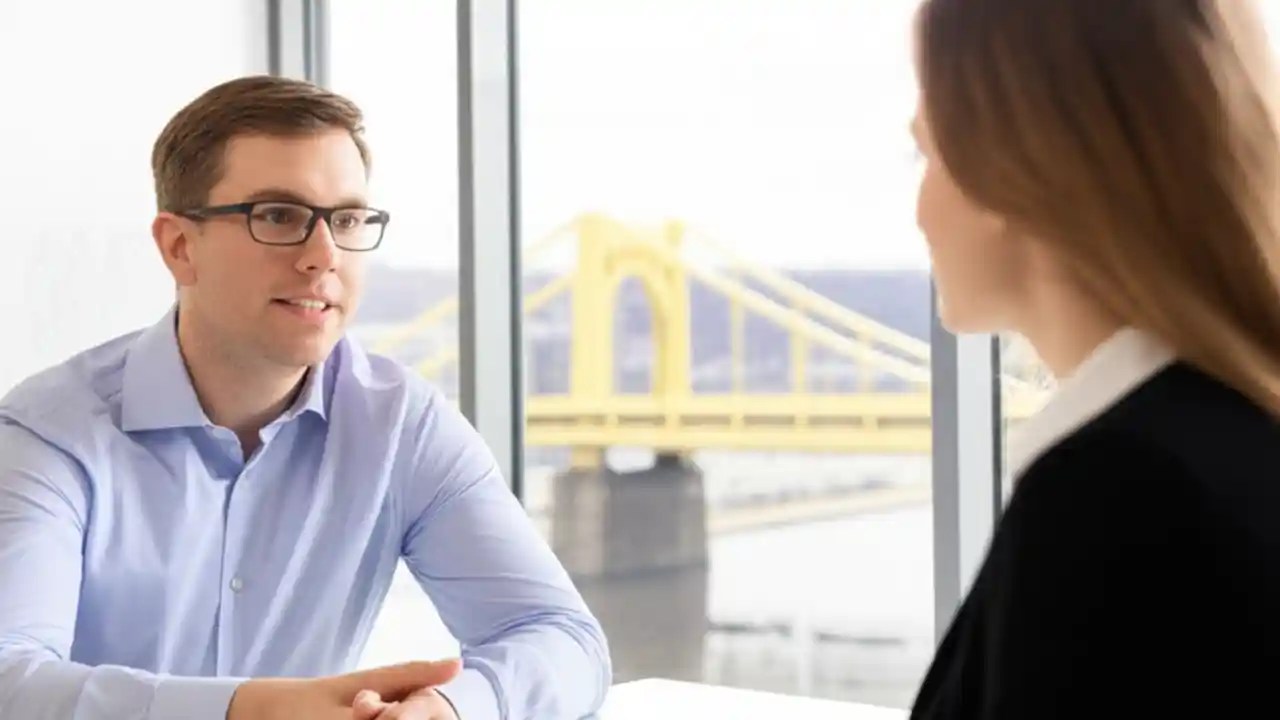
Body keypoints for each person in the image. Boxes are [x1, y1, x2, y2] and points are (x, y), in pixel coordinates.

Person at [0, 75, 610, 720]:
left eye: (346, 219)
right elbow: (9, 678)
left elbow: (563, 639)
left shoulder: (402, 424)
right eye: (279, 216)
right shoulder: (50, 436)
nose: (324, 256)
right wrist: (247, 711)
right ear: (180, 246)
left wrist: (452, 708)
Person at [907, 0, 1280, 717]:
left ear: (1007, 162)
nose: (918, 210)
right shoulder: (1231, 440)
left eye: (925, 153)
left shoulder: (1110, 497)